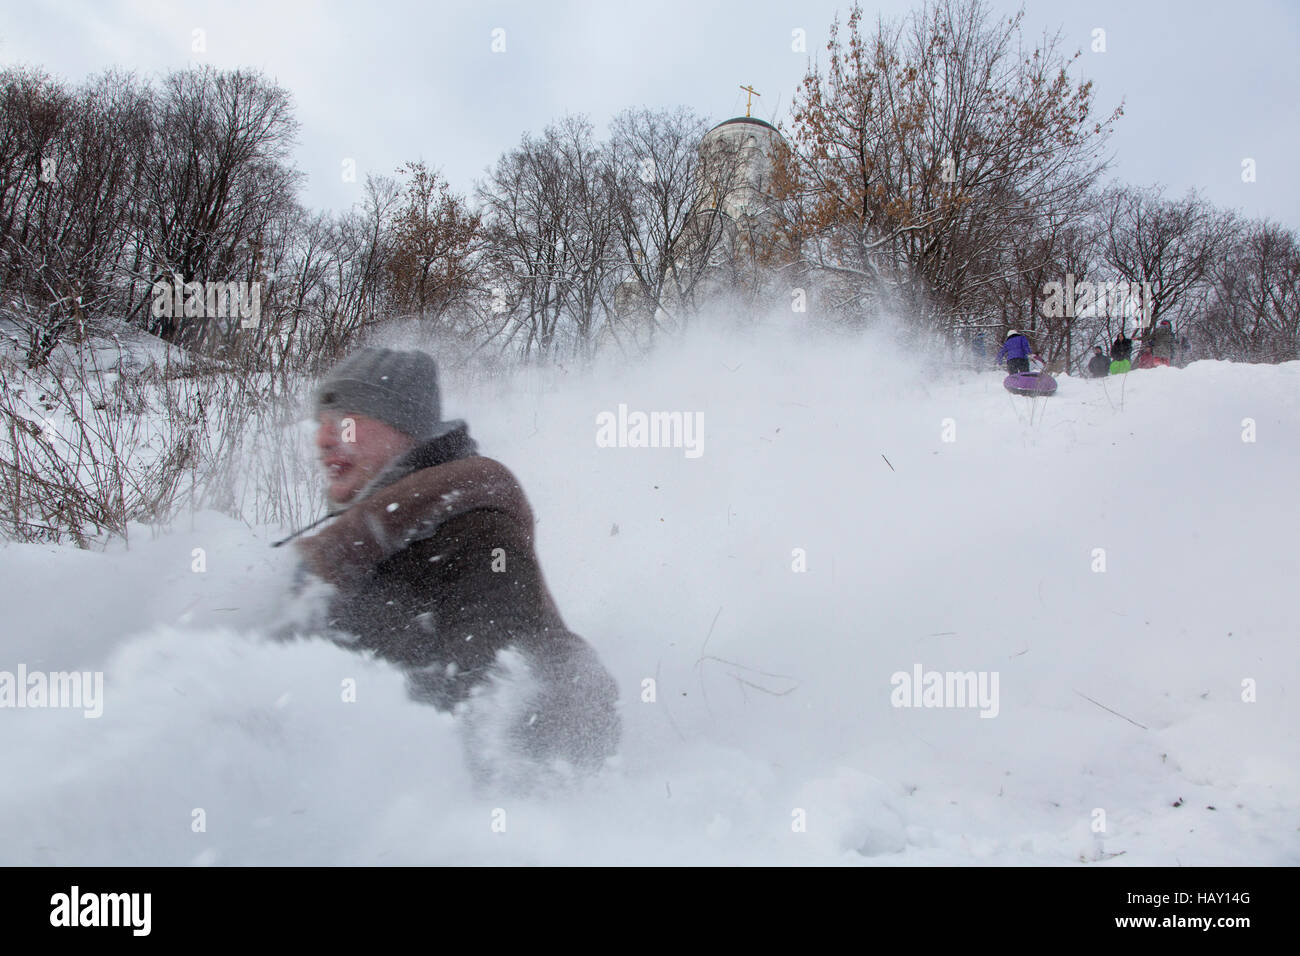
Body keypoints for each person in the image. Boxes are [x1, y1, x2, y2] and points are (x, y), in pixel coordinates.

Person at [287, 347, 620, 776]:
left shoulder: (473, 534)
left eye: (345, 421)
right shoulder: (382, 542)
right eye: (321, 424)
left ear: (403, 429)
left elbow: (505, 703)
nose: (324, 439)